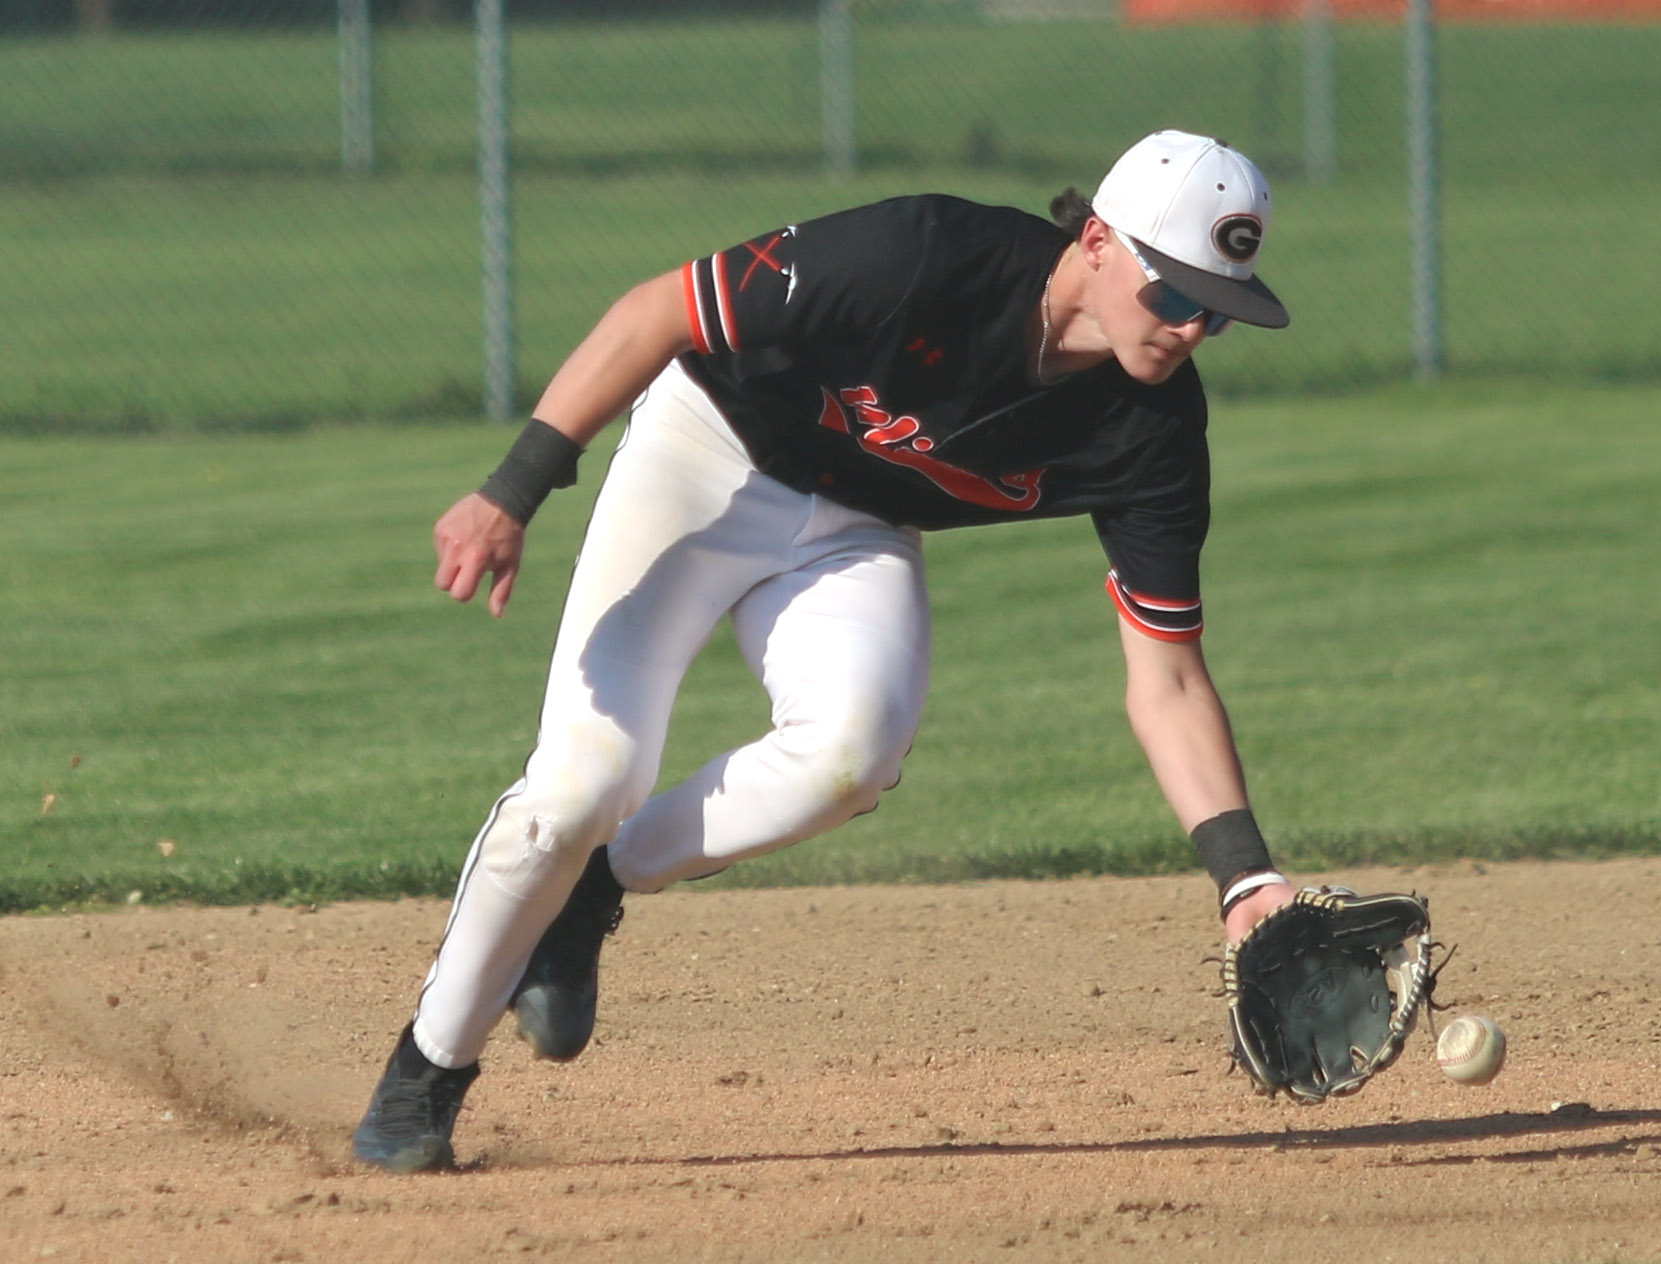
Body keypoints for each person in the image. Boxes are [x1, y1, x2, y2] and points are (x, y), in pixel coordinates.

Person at [353, 130, 1302, 1172]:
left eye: (1219, 310)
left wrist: (1242, 878)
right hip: (706, 452)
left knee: (851, 756)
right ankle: (425, 1073)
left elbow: (1168, 678)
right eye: (1174, 292)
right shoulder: (924, 253)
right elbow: (655, 312)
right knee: (580, 788)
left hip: (857, 530)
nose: (1192, 326)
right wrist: (511, 491)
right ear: (1096, 241)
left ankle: (594, 890)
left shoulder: (1152, 432)